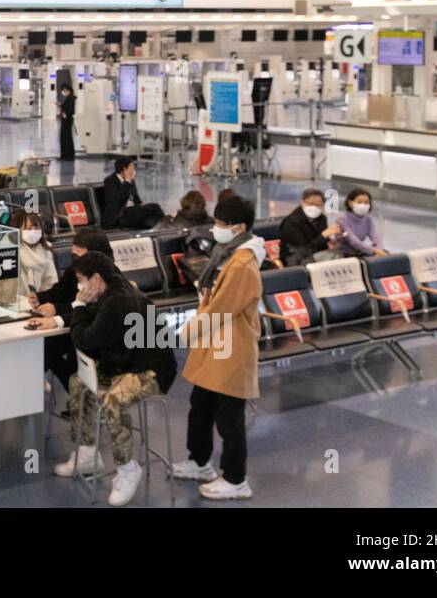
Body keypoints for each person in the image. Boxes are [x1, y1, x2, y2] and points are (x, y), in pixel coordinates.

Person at [46, 252, 178, 506]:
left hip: (151, 370)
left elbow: (84, 339)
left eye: (82, 280)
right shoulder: (109, 291)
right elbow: (90, 338)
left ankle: (128, 468)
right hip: (125, 363)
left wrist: (78, 307)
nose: (79, 286)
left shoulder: (118, 302)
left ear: (96, 279)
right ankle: (86, 454)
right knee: (77, 381)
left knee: (113, 401)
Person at [174, 195, 264, 501]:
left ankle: (236, 479)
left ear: (239, 227)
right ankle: (199, 462)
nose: (216, 229)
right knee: (201, 405)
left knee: (229, 417)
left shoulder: (242, 264)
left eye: (222, 224)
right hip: (216, 344)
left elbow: (221, 309)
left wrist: (189, 330)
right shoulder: (228, 253)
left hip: (231, 346)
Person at [28, 226, 112, 393]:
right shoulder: (77, 268)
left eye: (78, 253)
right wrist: (40, 298)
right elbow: (62, 291)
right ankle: (76, 397)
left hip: (97, 337)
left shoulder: (106, 280)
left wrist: (56, 312)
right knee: (47, 349)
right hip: (76, 324)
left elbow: (89, 310)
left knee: (58, 350)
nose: (74, 257)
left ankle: (81, 398)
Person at [279, 188, 344, 266]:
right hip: (295, 257)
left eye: (318, 205)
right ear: (302, 202)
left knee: (340, 254)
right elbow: (303, 250)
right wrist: (323, 236)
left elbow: (321, 244)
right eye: (310, 203)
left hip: (315, 254)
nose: (314, 207)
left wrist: (330, 243)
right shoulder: (291, 222)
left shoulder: (322, 219)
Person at [100, 156, 165, 230]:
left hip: (132, 212)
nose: (134, 171)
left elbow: (136, 198)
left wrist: (142, 205)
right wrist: (127, 181)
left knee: (152, 219)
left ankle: (163, 228)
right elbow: (118, 199)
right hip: (120, 215)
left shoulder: (131, 180)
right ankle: (168, 224)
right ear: (125, 170)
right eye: (132, 168)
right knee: (155, 207)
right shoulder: (110, 181)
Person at [12, 209, 58, 296]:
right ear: (17, 229)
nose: (33, 231)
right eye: (28, 229)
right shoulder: (9, 250)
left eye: (36, 228)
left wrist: (42, 299)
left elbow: (50, 282)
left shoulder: (45, 249)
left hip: (39, 302)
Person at [335, 188, 387, 258]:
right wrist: (375, 251)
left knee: (387, 256)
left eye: (366, 202)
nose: (363, 205)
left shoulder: (368, 219)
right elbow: (354, 242)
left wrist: (380, 250)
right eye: (359, 202)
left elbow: (376, 238)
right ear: (350, 203)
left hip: (359, 251)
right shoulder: (342, 219)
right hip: (344, 254)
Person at [57, 84, 77, 161]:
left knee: (65, 137)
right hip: (67, 120)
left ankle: (67, 156)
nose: (63, 92)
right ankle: (66, 155)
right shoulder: (70, 97)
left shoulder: (71, 98)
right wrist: (61, 105)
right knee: (66, 137)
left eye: (63, 90)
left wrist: (65, 113)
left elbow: (70, 109)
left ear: (66, 89)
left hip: (67, 120)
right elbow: (66, 107)